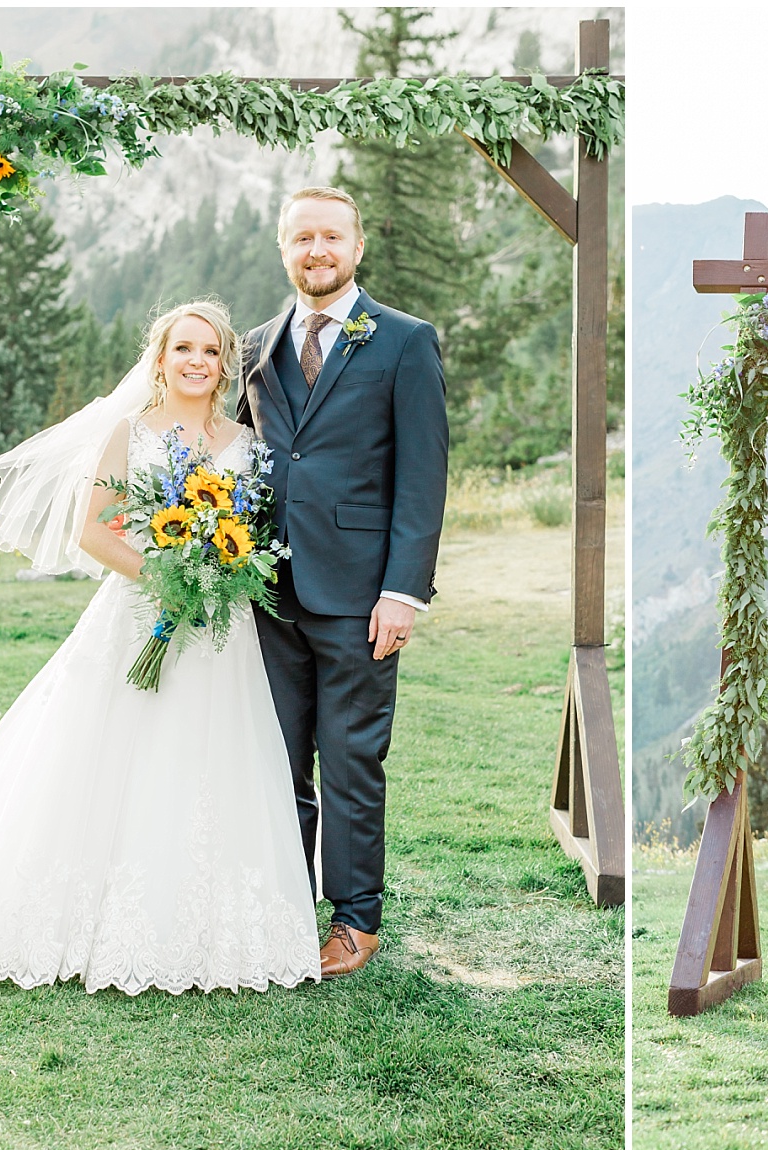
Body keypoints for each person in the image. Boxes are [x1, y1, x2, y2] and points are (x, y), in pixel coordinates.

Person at [0, 299, 321, 994]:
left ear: (226, 363)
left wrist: (220, 571)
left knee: (206, 758)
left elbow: (254, 532)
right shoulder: (128, 433)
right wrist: (164, 578)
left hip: (215, 633)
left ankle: (206, 927)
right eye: (184, 349)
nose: (197, 362)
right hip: (137, 615)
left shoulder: (243, 444)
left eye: (210, 351)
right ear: (161, 359)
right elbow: (95, 529)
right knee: (104, 753)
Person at [237, 186, 449, 978]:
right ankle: (288, 906)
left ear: (357, 247)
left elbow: (423, 479)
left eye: (330, 236)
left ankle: (356, 921)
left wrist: (405, 591)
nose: (315, 250)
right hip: (266, 593)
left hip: (362, 597)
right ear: (284, 250)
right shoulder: (256, 345)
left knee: (352, 760)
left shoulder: (403, 341)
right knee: (277, 759)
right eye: (301, 238)